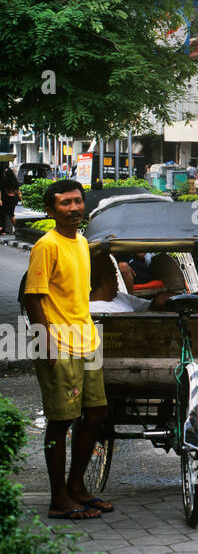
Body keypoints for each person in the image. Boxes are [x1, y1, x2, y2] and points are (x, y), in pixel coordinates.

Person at [22, 179, 110, 520]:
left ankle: (77, 487)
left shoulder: (83, 242)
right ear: (51, 210)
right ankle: (58, 498)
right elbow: (34, 298)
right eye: (65, 203)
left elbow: (77, 296)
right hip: (58, 343)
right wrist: (45, 344)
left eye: (77, 201)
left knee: (97, 414)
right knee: (61, 421)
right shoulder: (47, 245)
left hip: (88, 341)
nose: (74, 208)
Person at [1, 166, 19, 236]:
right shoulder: (14, 182)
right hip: (14, 199)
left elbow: (4, 190)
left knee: (8, 214)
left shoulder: (5, 182)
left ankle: (16, 229)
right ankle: (16, 229)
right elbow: (18, 191)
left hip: (8, 199)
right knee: (11, 214)